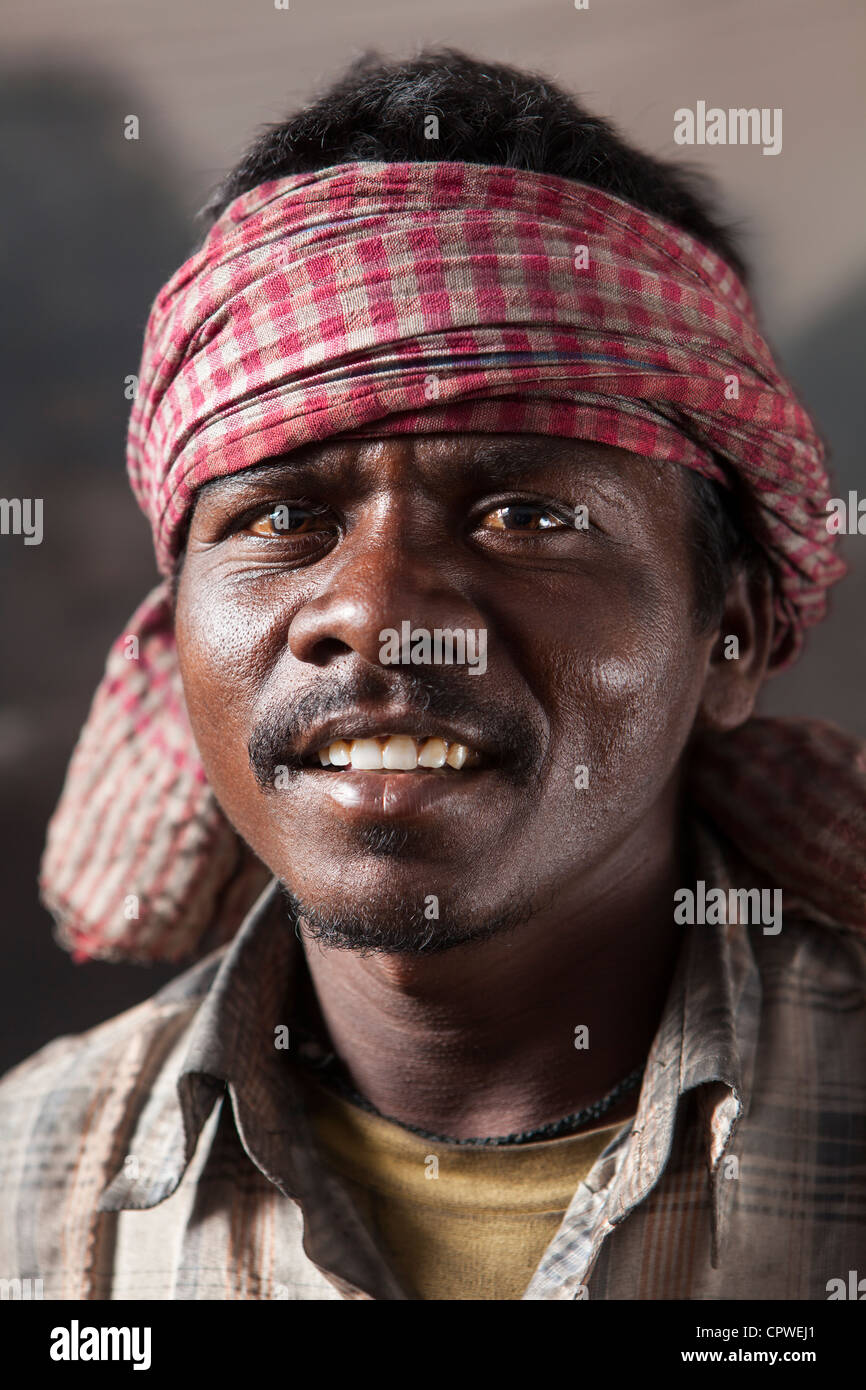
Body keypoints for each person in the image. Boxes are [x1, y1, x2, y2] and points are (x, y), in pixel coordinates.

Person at [1, 50, 863, 1302]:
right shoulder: (35, 1195)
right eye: (281, 517)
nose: (375, 611)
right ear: (174, 621)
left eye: (523, 514)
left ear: (728, 633)